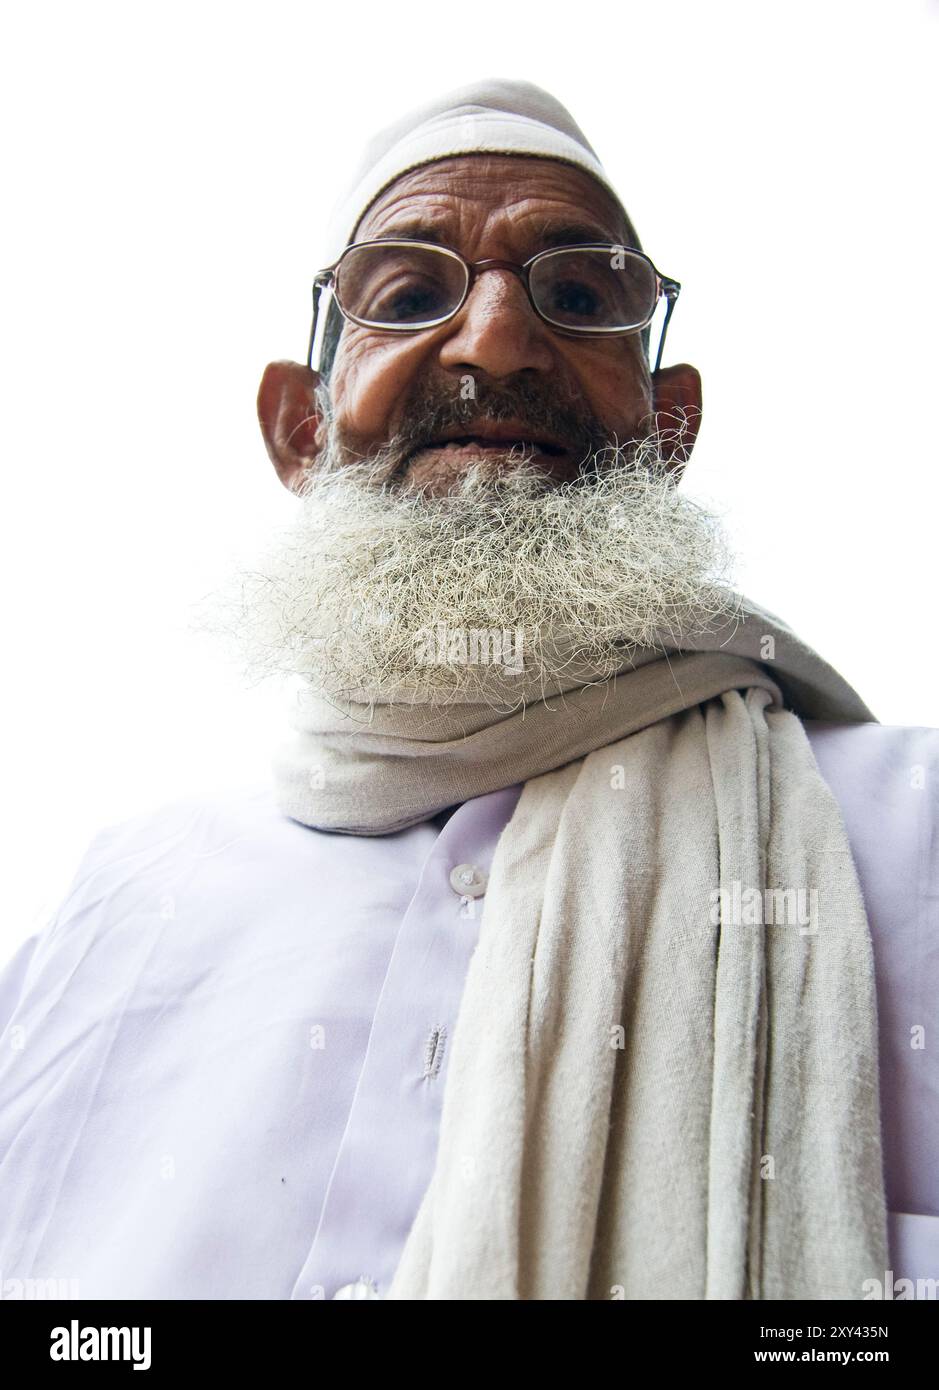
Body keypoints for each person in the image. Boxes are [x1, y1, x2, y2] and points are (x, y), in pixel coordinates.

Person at [0, 79, 936, 1303]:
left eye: (581, 296)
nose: (494, 342)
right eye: (409, 294)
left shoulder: (908, 832)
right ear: (299, 426)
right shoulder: (119, 911)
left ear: (669, 427)